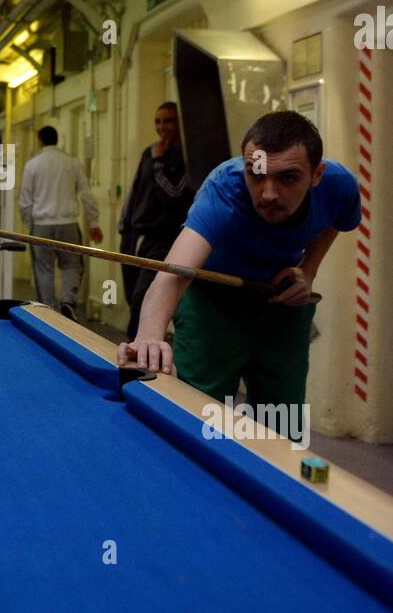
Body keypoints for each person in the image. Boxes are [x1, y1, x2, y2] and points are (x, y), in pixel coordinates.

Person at [117, 111, 360, 430]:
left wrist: (308, 270)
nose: (269, 193)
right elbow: (174, 274)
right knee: (198, 415)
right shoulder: (223, 188)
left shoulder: (339, 186)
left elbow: (337, 220)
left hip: (280, 303)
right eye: (256, 174)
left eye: (288, 177)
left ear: (316, 175)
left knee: (281, 422)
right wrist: (149, 335)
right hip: (212, 302)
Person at [118, 101, 194, 339]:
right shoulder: (149, 152)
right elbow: (137, 190)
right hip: (136, 237)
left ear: (180, 123)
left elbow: (174, 195)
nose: (163, 127)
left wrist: (159, 163)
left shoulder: (185, 156)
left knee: (143, 299)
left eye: (169, 121)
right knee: (133, 298)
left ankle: (136, 354)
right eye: (158, 121)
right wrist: (125, 227)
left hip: (164, 240)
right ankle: (146, 344)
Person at [18, 125, 103, 320]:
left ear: (40, 140)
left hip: (41, 225)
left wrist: (29, 225)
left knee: (44, 269)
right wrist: (94, 222)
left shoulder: (32, 165)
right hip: (69, 224)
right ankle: (67, 302)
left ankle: (48, 311)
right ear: (57, 140)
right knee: (72, 265)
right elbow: (86, 194)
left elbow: (25, 200)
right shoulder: (72, 163)